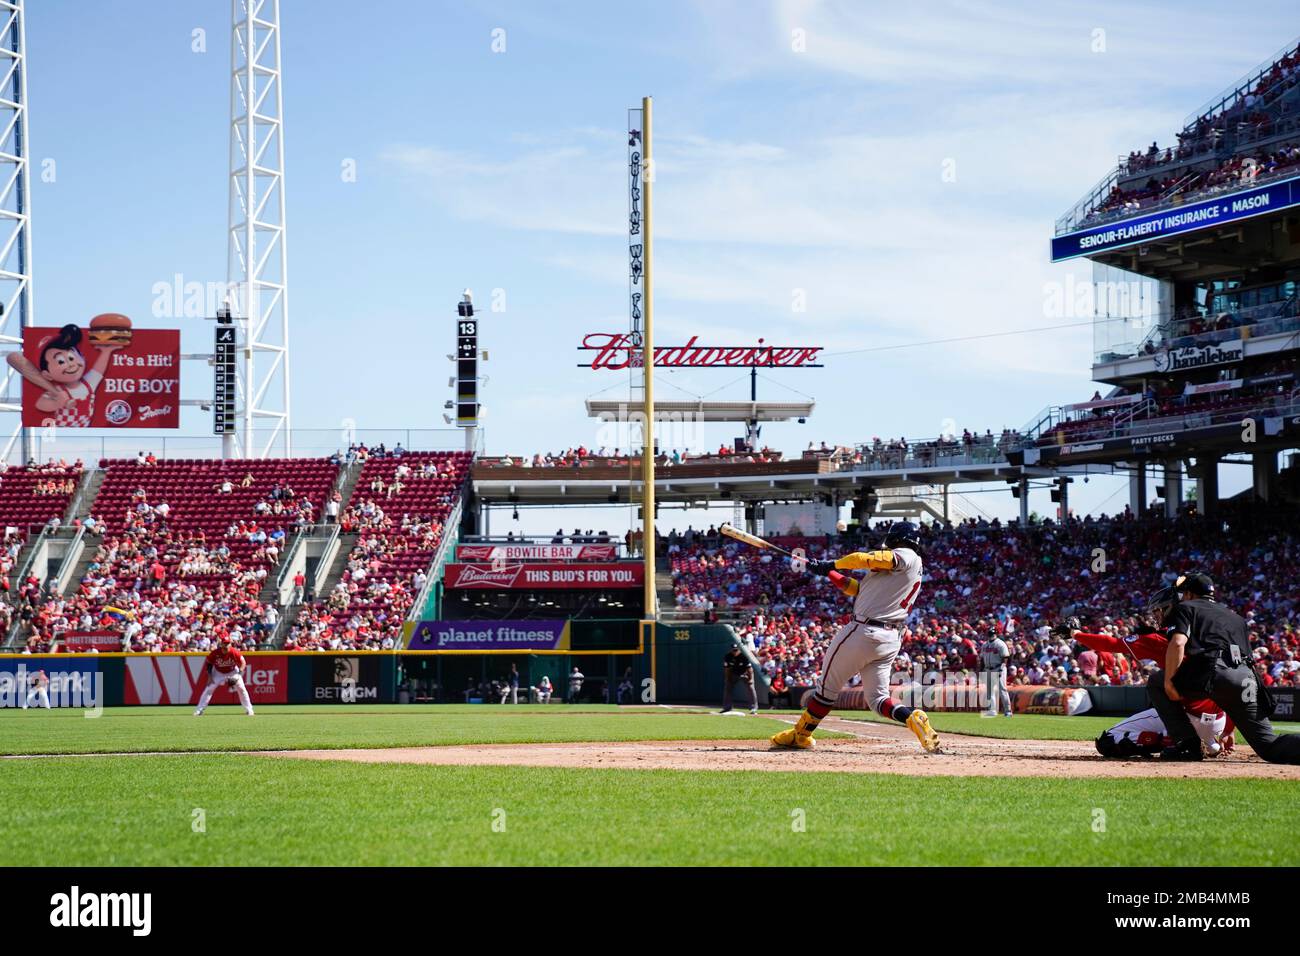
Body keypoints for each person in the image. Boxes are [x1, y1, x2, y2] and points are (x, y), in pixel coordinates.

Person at [770, 521, 939, 752]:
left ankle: (800, 735)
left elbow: (863, 559)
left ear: (896, 538)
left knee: (826, 691)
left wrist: (833, 563)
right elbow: (856, 589)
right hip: (888, 639)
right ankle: (912, 718)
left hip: (864, 631)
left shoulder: (905, 555)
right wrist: (827, 571)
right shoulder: (903, 570)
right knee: (878, 700)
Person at [1145, 571, 1300, 763]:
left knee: (1156, 681)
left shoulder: (1185, 608)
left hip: (1212, 671)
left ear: (1189, 594)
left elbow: (1177, 643)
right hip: (1246, 677)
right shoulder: (1236, 617)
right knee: (1269, 746)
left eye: (1182, 593)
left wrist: (1170, 683)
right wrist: (1229, 728)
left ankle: (1188, 746)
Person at [1064, 617, 1231, 758]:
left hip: (1189, 717)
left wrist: (1076, 634)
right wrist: (1229, 730)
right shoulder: (1207, 636)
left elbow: (1112, 644)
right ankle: (1211, 743)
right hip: (1219, 720)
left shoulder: (1159, 638)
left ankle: (1173, 741)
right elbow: (1234, 688)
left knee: (1108, 740)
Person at [194, 636, 255, 717]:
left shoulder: (234, 652)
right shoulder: (215, 653)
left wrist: (238, 674)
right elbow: (209, 663)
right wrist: (210, 676)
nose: (226, 645)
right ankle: (199, 710)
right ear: (221, 644)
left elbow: (243, 663)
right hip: (218, 672)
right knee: (209, 689)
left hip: (232, 671)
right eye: (224, 643)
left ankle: (249, 709)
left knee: (241, 688)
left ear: (230, 644)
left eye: (228, 643)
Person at [979, 632, 1012, 717]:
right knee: (990, 691)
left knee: (1002, 690)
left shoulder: (1000, 643)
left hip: (998, 667)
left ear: (996, 634)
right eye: (990, 633)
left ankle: (1008, 711)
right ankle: (992, 710)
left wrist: (1002, 668)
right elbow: (982, 658)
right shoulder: (985, 645)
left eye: (992, 633)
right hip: (988, 669)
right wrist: (981, 670)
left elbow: (1005, 657)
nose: (991, 635)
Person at [721, 643, 757, 715]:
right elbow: (727, 669)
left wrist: (751, 679)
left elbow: (750, 669)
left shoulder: (743, 657)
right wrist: (727, 678)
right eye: (733, 650)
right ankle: (727, 707)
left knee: (751, 688)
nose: (735, 651)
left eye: (736, 650)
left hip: (744, 674)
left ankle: (753, 708)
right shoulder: (728, 657)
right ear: (731, 650)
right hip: (733, 674)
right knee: (728, 687)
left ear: (739, 650)